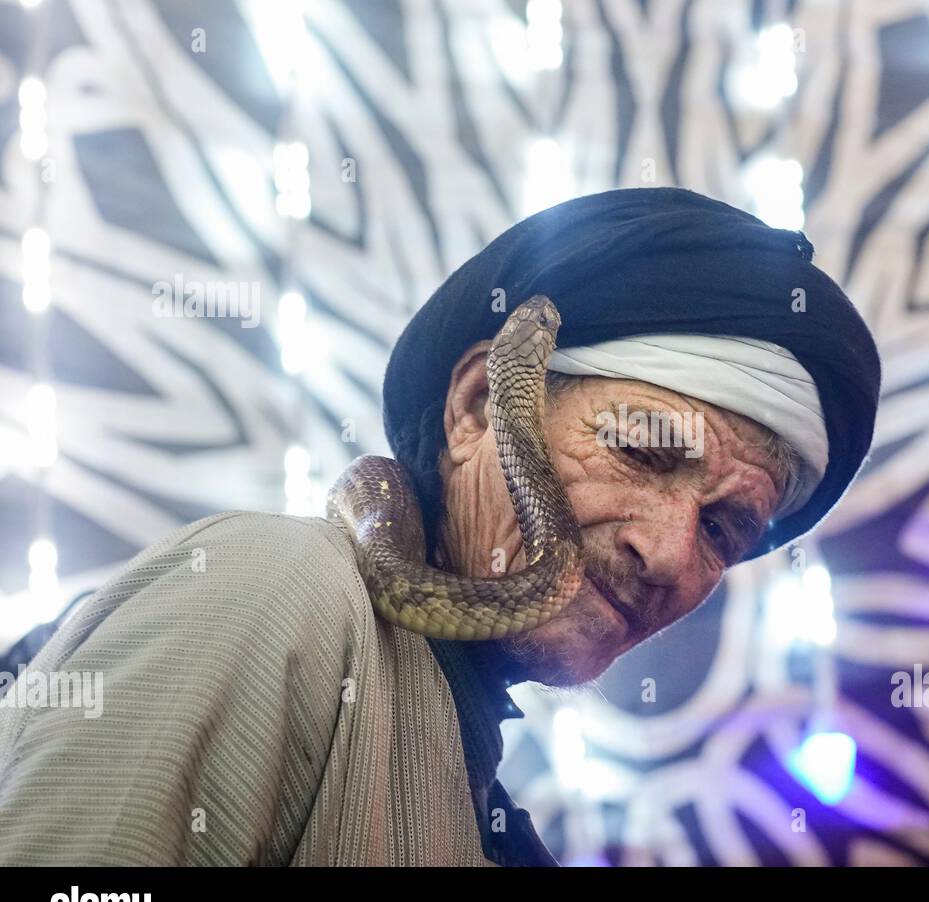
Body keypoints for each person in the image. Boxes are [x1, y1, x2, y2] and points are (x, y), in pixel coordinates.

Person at [0, 187, 881, 866]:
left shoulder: (466, 768)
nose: (670, 551)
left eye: (726, 529)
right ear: (474, 408)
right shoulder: (279, 590)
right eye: (643, 452)